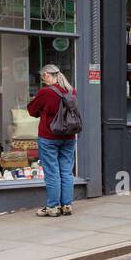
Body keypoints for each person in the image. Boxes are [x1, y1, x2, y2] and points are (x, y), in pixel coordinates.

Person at [26, 64, 78, 218]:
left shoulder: (45, 92)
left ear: (48, 75)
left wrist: (43, 112)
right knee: (66, 172)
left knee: (52, 173)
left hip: (49, 137)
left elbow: (31, 110)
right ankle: (66, 205)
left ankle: (52, 207)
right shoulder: (71, 91)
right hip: (68, 137)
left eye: (43, 77)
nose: (43, 80)